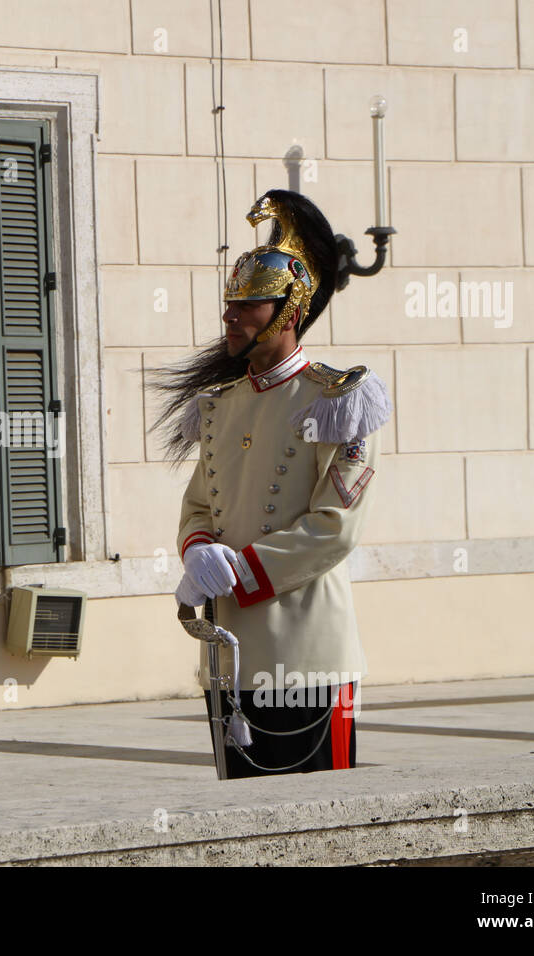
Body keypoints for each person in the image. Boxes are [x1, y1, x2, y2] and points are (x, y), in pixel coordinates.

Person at [149, 189, 392, 778]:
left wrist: (243, 573)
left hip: (308, 655)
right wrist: (200, 548)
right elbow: (199, 506)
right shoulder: (218, 406)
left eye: (248, 305)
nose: (230, 317)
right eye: (230, 303)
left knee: (322, 824)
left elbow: (335, 528)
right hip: (230, 655)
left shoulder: (342, 398)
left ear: (288, 309)